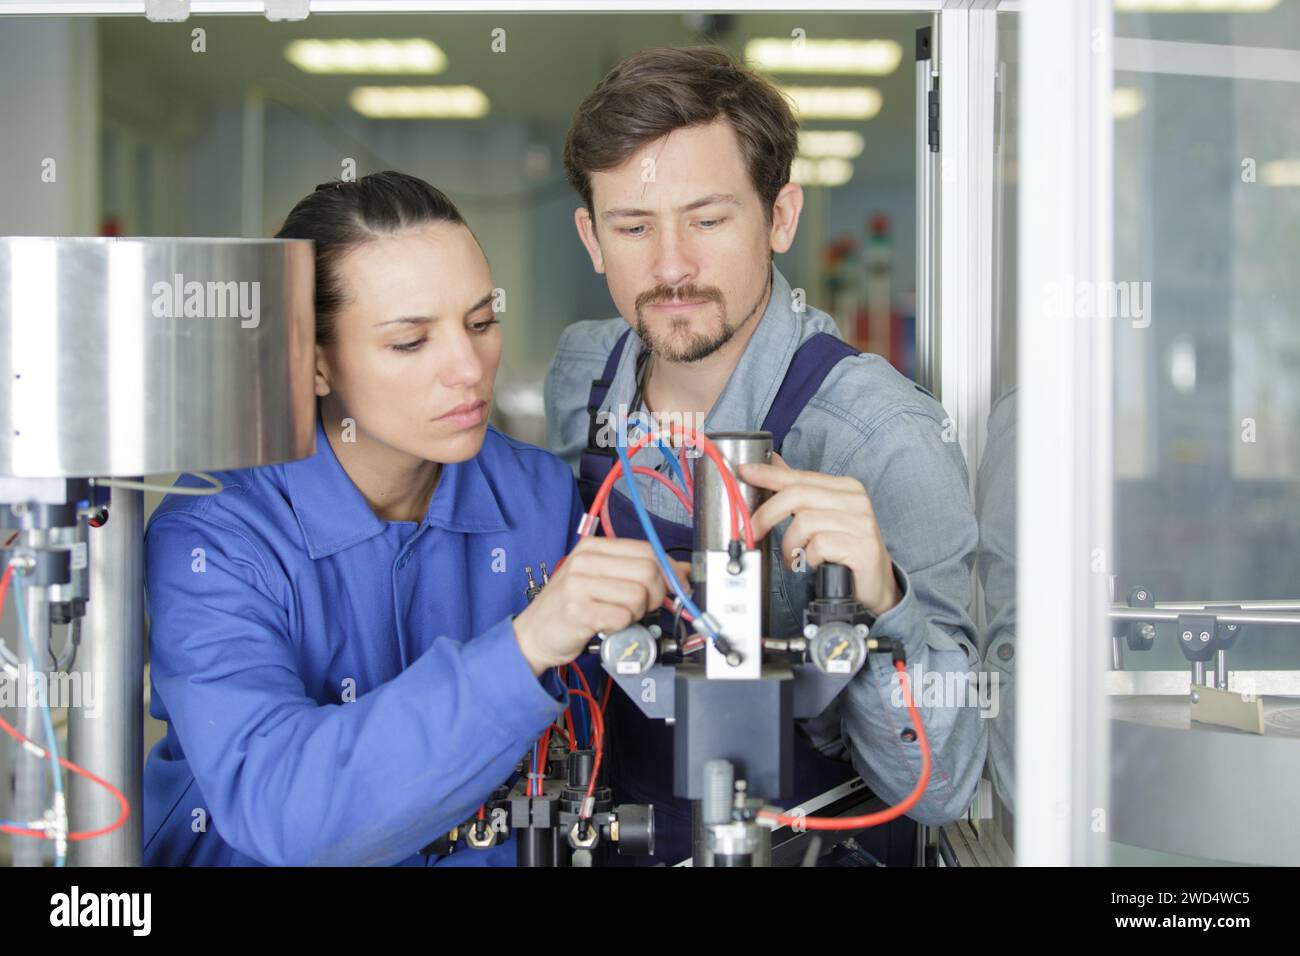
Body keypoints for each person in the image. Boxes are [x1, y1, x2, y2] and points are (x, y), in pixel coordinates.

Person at [143, 171, 676, 866]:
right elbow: (278, 804)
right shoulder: (216, 533)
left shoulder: (540, 497)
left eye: (481, 322)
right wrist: (522, 649)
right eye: (409, 342)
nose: (468, 368)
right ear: (313, 364)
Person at [546, 46, 988, 865]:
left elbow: (948, 783)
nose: (671, 265)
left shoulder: (880, 435)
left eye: (708, 220)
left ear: (780, 217)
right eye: (634, 227)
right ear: (592, 237)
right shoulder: (585, 372)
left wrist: (880, 599)